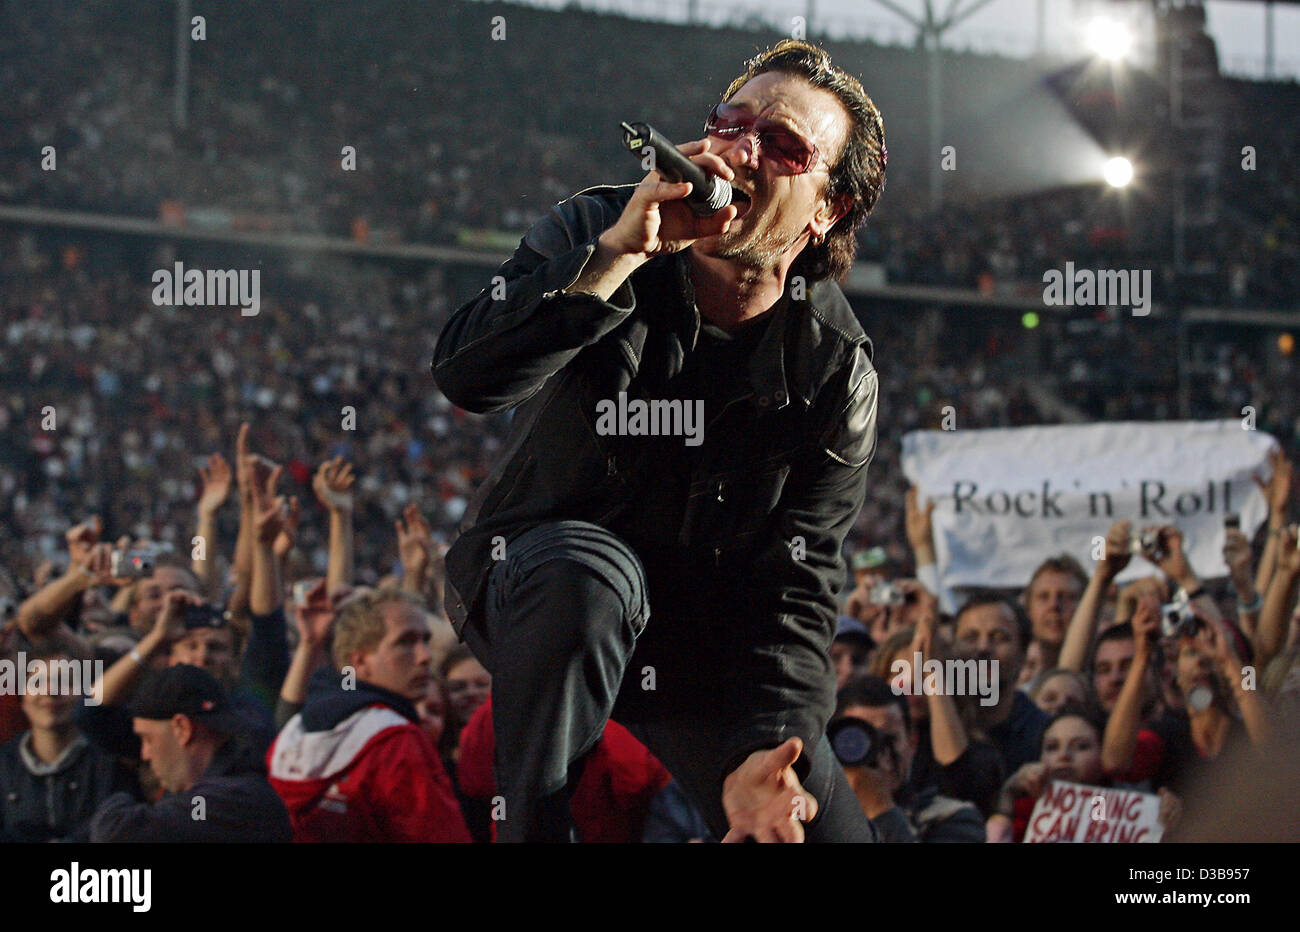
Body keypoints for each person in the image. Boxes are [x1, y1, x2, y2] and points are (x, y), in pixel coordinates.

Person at [430, 39, 887, 842]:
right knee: (591, 579)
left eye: (780, 145)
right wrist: (613, 259)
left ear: (828, 209)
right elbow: (468, 375)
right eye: (729, 122)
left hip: (700, 653)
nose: (739, 149)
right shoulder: (602, 225)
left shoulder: (835, 369)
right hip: (546, 580)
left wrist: (760, 750)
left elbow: (800, 580)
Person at [267, 588, 471, 842]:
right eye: (405, 642)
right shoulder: (396, 743)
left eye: (425, 641)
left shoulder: (292, 734)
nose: (425, 656)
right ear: (360, 662)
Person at [88, 664, 292, 842]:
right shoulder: (231, 790)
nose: (145, 754)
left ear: (183, 729)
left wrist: (121, 798)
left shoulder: (229, 801)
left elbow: (115, 831)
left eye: (148, 739)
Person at [0, 645, 139, 842]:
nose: (50, 691)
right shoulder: (4, 764)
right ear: (22, 696)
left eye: (64, 682)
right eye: (37, 682)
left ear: (85, 693)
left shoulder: (110, 761)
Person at [832, 675, 984, 842]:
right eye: (857, 742)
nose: (877, 756)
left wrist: (882, 811)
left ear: (912, 742)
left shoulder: (950, 817)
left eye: (888, 740)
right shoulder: (812, 811)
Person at [953, 591, 1049, 776]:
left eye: (998, 638)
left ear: (1023, 654)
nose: (983, 648)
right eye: (970, 637)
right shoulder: (932, 724)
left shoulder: (1043, 734)